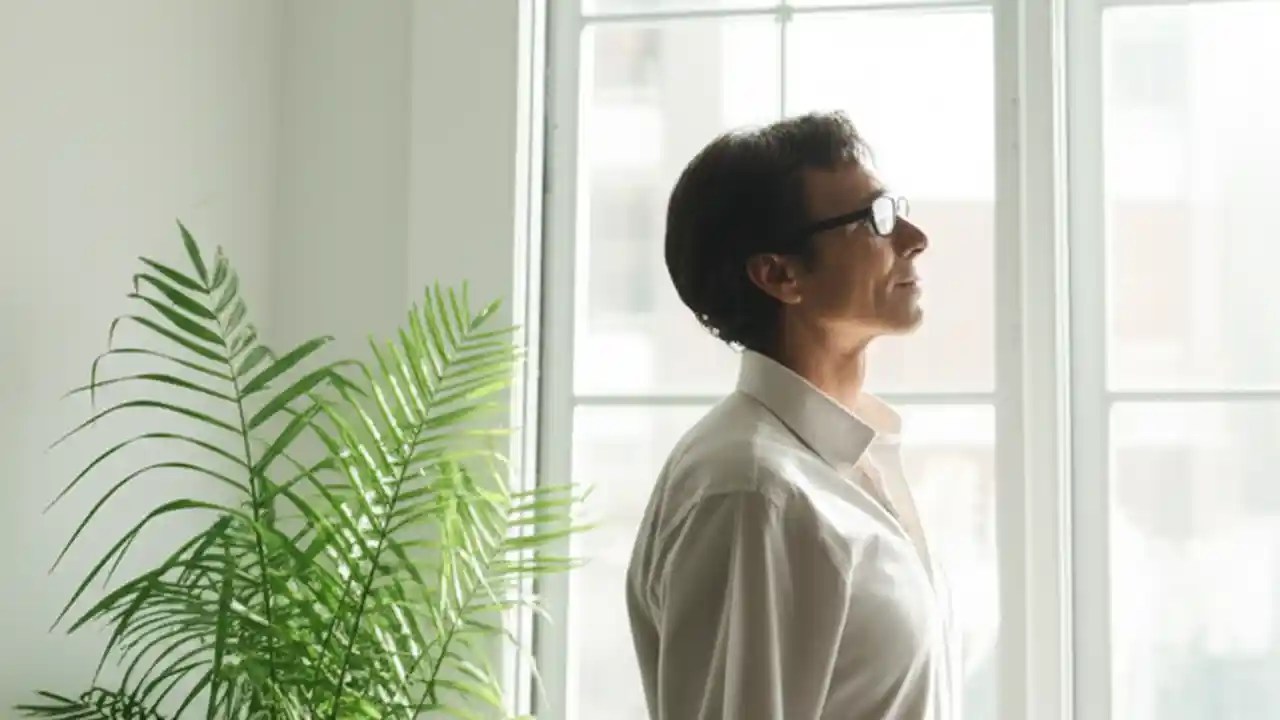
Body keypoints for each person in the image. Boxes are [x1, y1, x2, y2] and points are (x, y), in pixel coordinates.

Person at [625, 111, 960, 720]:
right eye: (876, 220)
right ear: (779, 274)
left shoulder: (852, 463)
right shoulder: (752, 490)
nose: (914, 237)